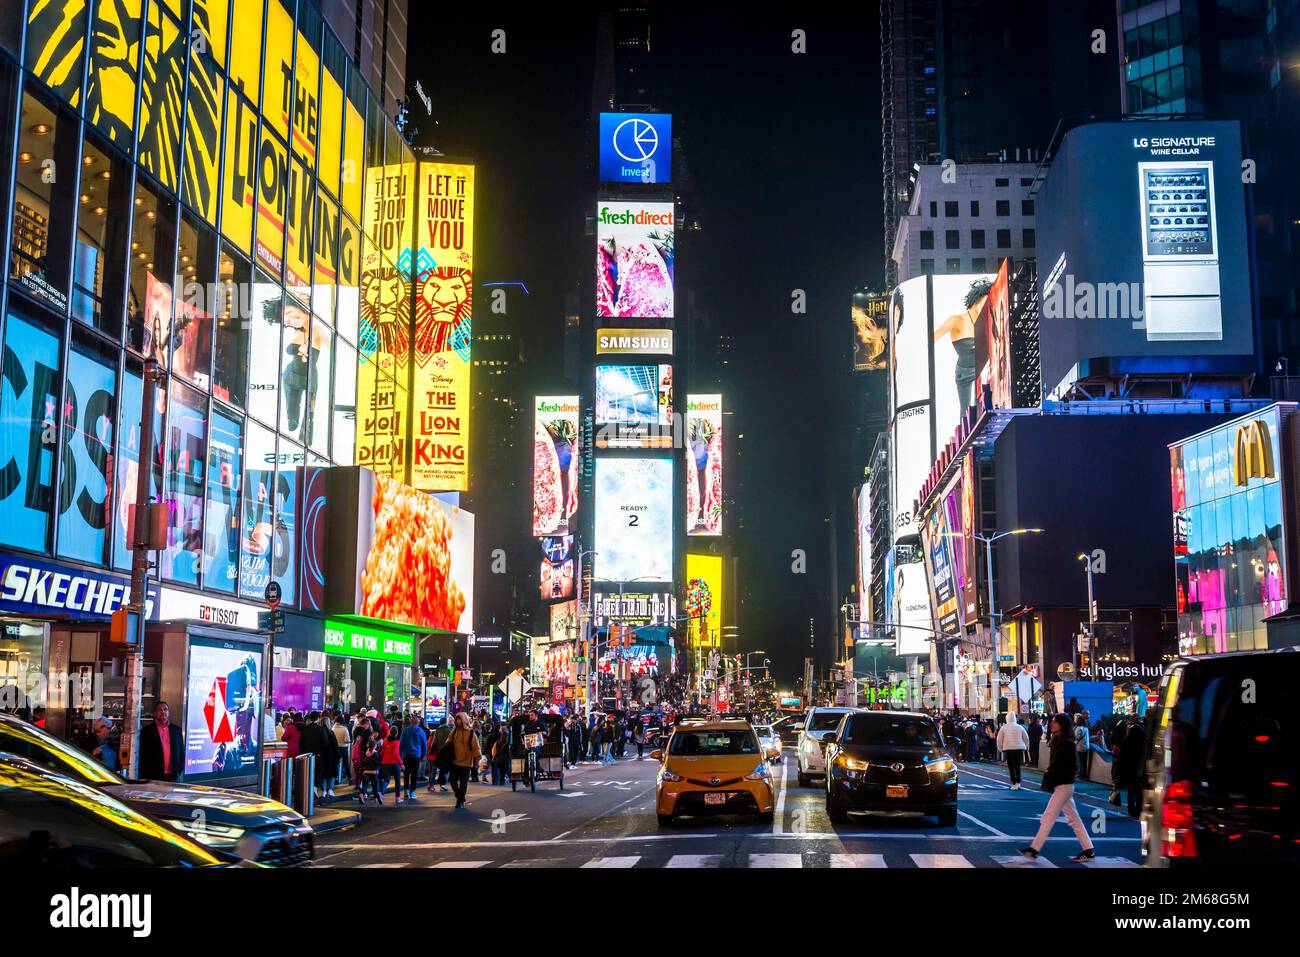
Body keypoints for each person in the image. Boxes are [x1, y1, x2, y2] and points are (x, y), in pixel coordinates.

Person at [1019, 714, 1096, 863]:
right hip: (1062, 785)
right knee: (1073, 818)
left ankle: (1034, 849)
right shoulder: (1059, 740)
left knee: (1049, 816)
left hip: (1064, 785)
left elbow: (1073, 766)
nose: (1052, 724)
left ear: (1062, 725)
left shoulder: (1067, 743)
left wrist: (1055, 773)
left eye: (1055, 722)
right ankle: (1088, 849)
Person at [138, 701, 184, 781]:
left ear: (168, 713)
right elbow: (142, 755)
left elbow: (181, 751)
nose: (163, 712)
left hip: (172, 776)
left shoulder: (177, 730)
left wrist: (179, 769)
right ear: (155, 713)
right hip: (153, 776)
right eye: (160, 709)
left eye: (165, 709)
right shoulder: (146, 731)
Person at [1114, 715, 1147, 818]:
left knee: (1131, 790)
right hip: (1140, 769)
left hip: (1129, 769)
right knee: (1139, 791)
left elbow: (1121, 757)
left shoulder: (1127, 741)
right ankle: (1139, 810)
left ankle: (1131, 809)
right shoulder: (1143, 741)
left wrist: (1117, 772)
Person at [447, 712, 481, 808]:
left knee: (463, 783)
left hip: (466, 763)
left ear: (464, 720)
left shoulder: (471, 733)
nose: (458, 721)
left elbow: (476, 748)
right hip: (455, 762)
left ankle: (460, 802)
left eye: (460, 719)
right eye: (457, 719)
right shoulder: (453, 732)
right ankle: (459, 796)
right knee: (453, 780)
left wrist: (477, 761)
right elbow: (447, 744)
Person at [298, 711, 332, 799]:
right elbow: (325, 743)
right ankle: (314, 788)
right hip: (318, 755)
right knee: (318, 772)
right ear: (318, 718)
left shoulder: (305, 728)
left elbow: (301, 743)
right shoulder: (321, 729)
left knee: (308, 772)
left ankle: (308, 789)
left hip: (306, 755)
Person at [996, 712, 1030, 790]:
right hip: (1018, 749)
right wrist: (1026, 746)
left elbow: (999, 739)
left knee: (1011, 766)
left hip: (1008, 749)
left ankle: (1014, 782)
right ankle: (1018, 782)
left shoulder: (1004, 728)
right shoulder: (1019, 727)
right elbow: (1026, 738)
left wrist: (1000, 748)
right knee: (1017, 766)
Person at [399, 714, 426, 800]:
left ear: (411, 722)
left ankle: (406, 790)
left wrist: (400, 755)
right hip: (417, 755)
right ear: (418, 723)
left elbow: (401, 744)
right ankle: (412, 791)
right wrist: (423, 756)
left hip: (406, 755)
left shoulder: (405, 731)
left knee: (406, 773)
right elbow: (424, 745)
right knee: (414, 774)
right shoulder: (421, 731)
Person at [380, 725, 404, 803]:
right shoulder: (396, 742)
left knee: (386, 780)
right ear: (396, 734)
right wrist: (401, 764)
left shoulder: (385, 740)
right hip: (394, 764)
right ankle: (397, 798)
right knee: (397, 781)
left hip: (385, 763)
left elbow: (382, 752)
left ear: (389, 732)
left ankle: (380, 793)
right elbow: (396, 754)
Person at [428, 720, 452, 792]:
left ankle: (431, 784)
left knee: (434, 770)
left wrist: (431, 750)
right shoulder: (450, 730)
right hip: (447, 753)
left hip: (438, 753)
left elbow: (434, 742)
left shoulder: (437, 731)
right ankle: (443, 785)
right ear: (446, 722)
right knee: (445, 770)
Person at [1074, 714, 1091, 779]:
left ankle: (1079, 775)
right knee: (1084, 762)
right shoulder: (1086, 728)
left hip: (1079, 747)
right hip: (1086, 747)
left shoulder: (1078, 728)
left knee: (1079, 762)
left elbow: (1076, 737)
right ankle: (1084, 775)